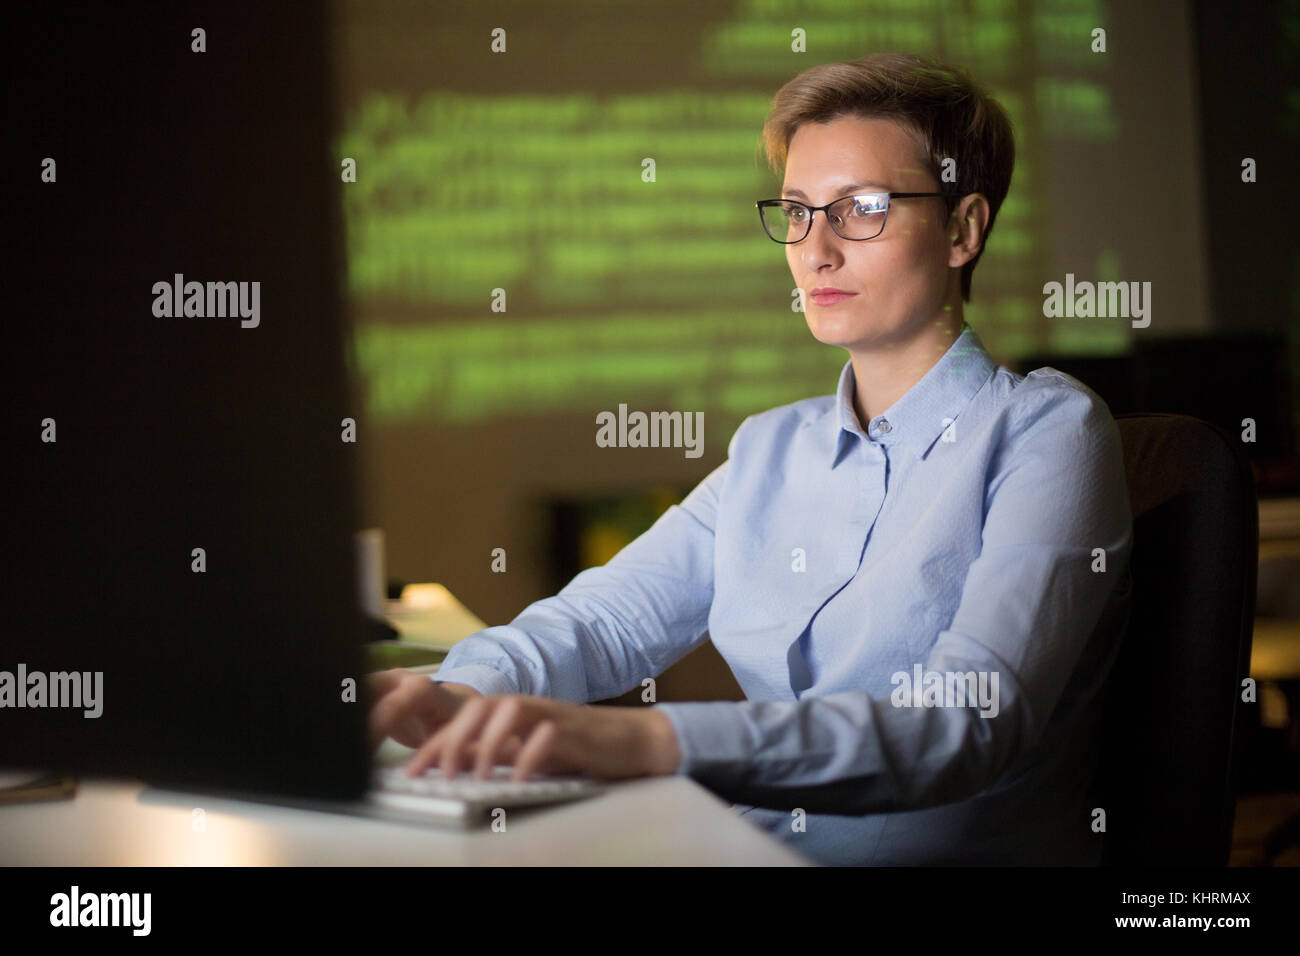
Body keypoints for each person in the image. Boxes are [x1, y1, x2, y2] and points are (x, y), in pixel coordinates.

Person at [367, 52, 1134, 866]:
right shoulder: (771, 445)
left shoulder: (1051, 432)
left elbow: (965, 722)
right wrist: (453, 696)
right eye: (798, 211)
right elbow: (605, 621)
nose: (817, 251)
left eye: (862, 208)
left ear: (962, 229)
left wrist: (644, 740)